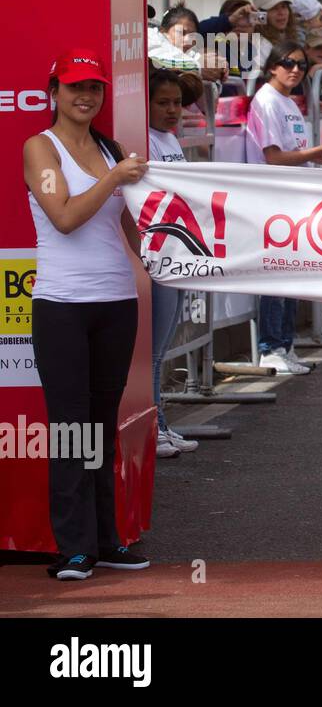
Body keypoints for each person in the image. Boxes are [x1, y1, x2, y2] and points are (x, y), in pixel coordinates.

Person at [23, 49, 152, 580]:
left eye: (94, 88)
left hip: (116, 303)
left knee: (101, 427)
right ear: (53, 91)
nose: (85, 96)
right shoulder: (40, 148)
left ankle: (105, 539)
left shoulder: (111, 147)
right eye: (75, 86)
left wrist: (183, 263)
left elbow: (132, 230)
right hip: (62, 307)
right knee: (71, 427)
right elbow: (67, 217)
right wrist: (115, 176)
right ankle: (72, 548)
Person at [245, 40, 322, 375]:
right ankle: (270, 348)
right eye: (288, 63)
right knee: (277, 274)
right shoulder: (266, 101)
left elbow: (291, 153)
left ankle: (285, 344)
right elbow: (272, 157)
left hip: (291, 198)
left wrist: (318, 155)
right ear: (272, 66)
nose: (295, 70)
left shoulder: (288, 102)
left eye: (301, 66)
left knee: (290, 273)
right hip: (271, 198)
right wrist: (317, 150)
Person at [146, 69, 203, 459]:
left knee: (161, 348)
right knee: (152, 351)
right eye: (162, 103)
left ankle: (160, 423)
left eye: (177, 103)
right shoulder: (142, 138)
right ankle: (155, 428)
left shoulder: (169, 138)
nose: (171, 110)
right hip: (155, 254)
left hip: (175, 254)